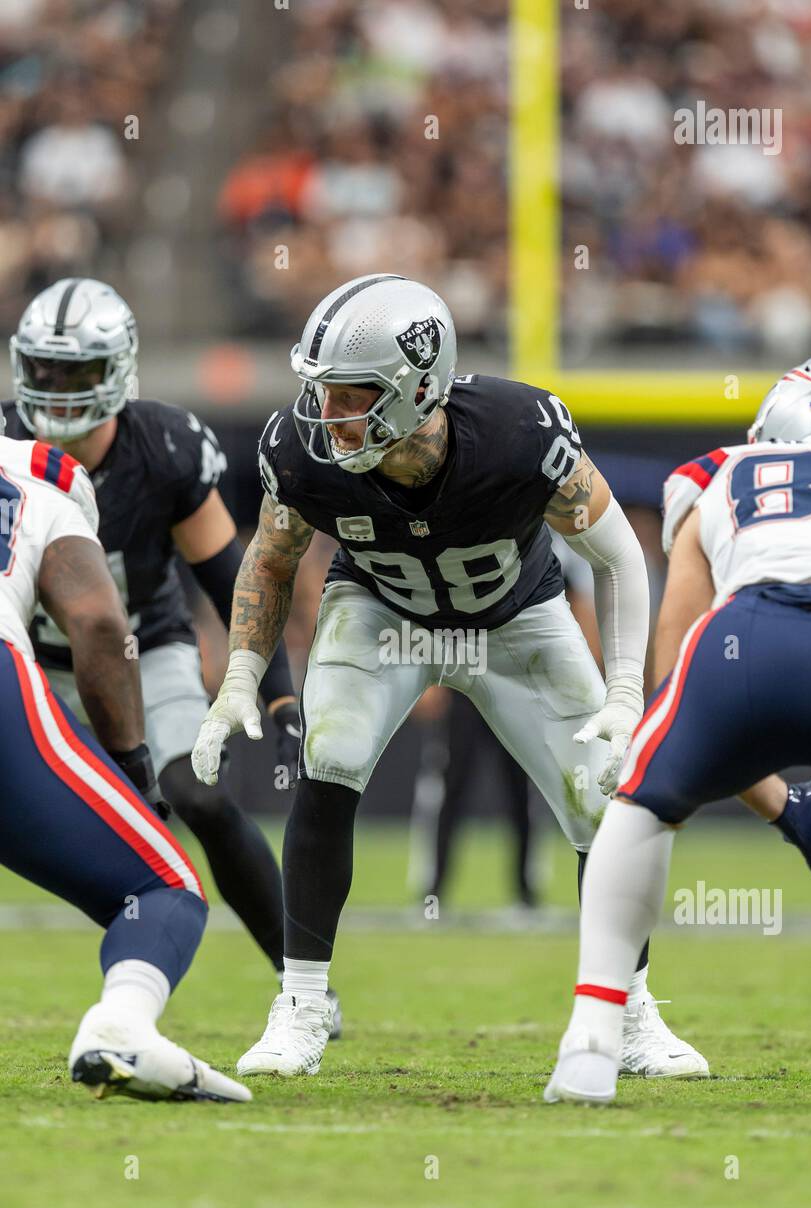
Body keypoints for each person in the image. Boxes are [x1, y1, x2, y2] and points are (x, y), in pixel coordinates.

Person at [192, 273, 707, 1081]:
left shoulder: (515, 432)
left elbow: (616, 557)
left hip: (517, 619)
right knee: (329, 762)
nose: (326, 417)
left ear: (416, 387)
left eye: (351, 395)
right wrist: (240, 677)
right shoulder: (301, 450)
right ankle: (301, 1002)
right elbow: (272, 554)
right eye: (320, 394)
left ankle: (628, 1009)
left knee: (600, 799)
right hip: (380, 609)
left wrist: (623, 692)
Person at [5, 276, 341, 1036]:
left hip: (138, 648)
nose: (57, 392)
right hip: (25, 651)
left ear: (119, 372)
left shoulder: (164, 448)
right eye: (45, 371)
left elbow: (233, 581)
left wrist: (278, 694)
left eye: (77, 373)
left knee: (199, 797)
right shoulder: (6, 443)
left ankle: (303, 985)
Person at [546, 355, 811, 1105]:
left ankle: (593, 1038)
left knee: (638, 805)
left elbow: (678, 649)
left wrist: (785, 808)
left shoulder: (722, 473)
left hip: (746, 639)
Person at [0, 407, 248, 1102]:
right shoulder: (45, 485)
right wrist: (130, 762)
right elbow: (98, 622)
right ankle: (121, 1025)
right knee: (162, 884)